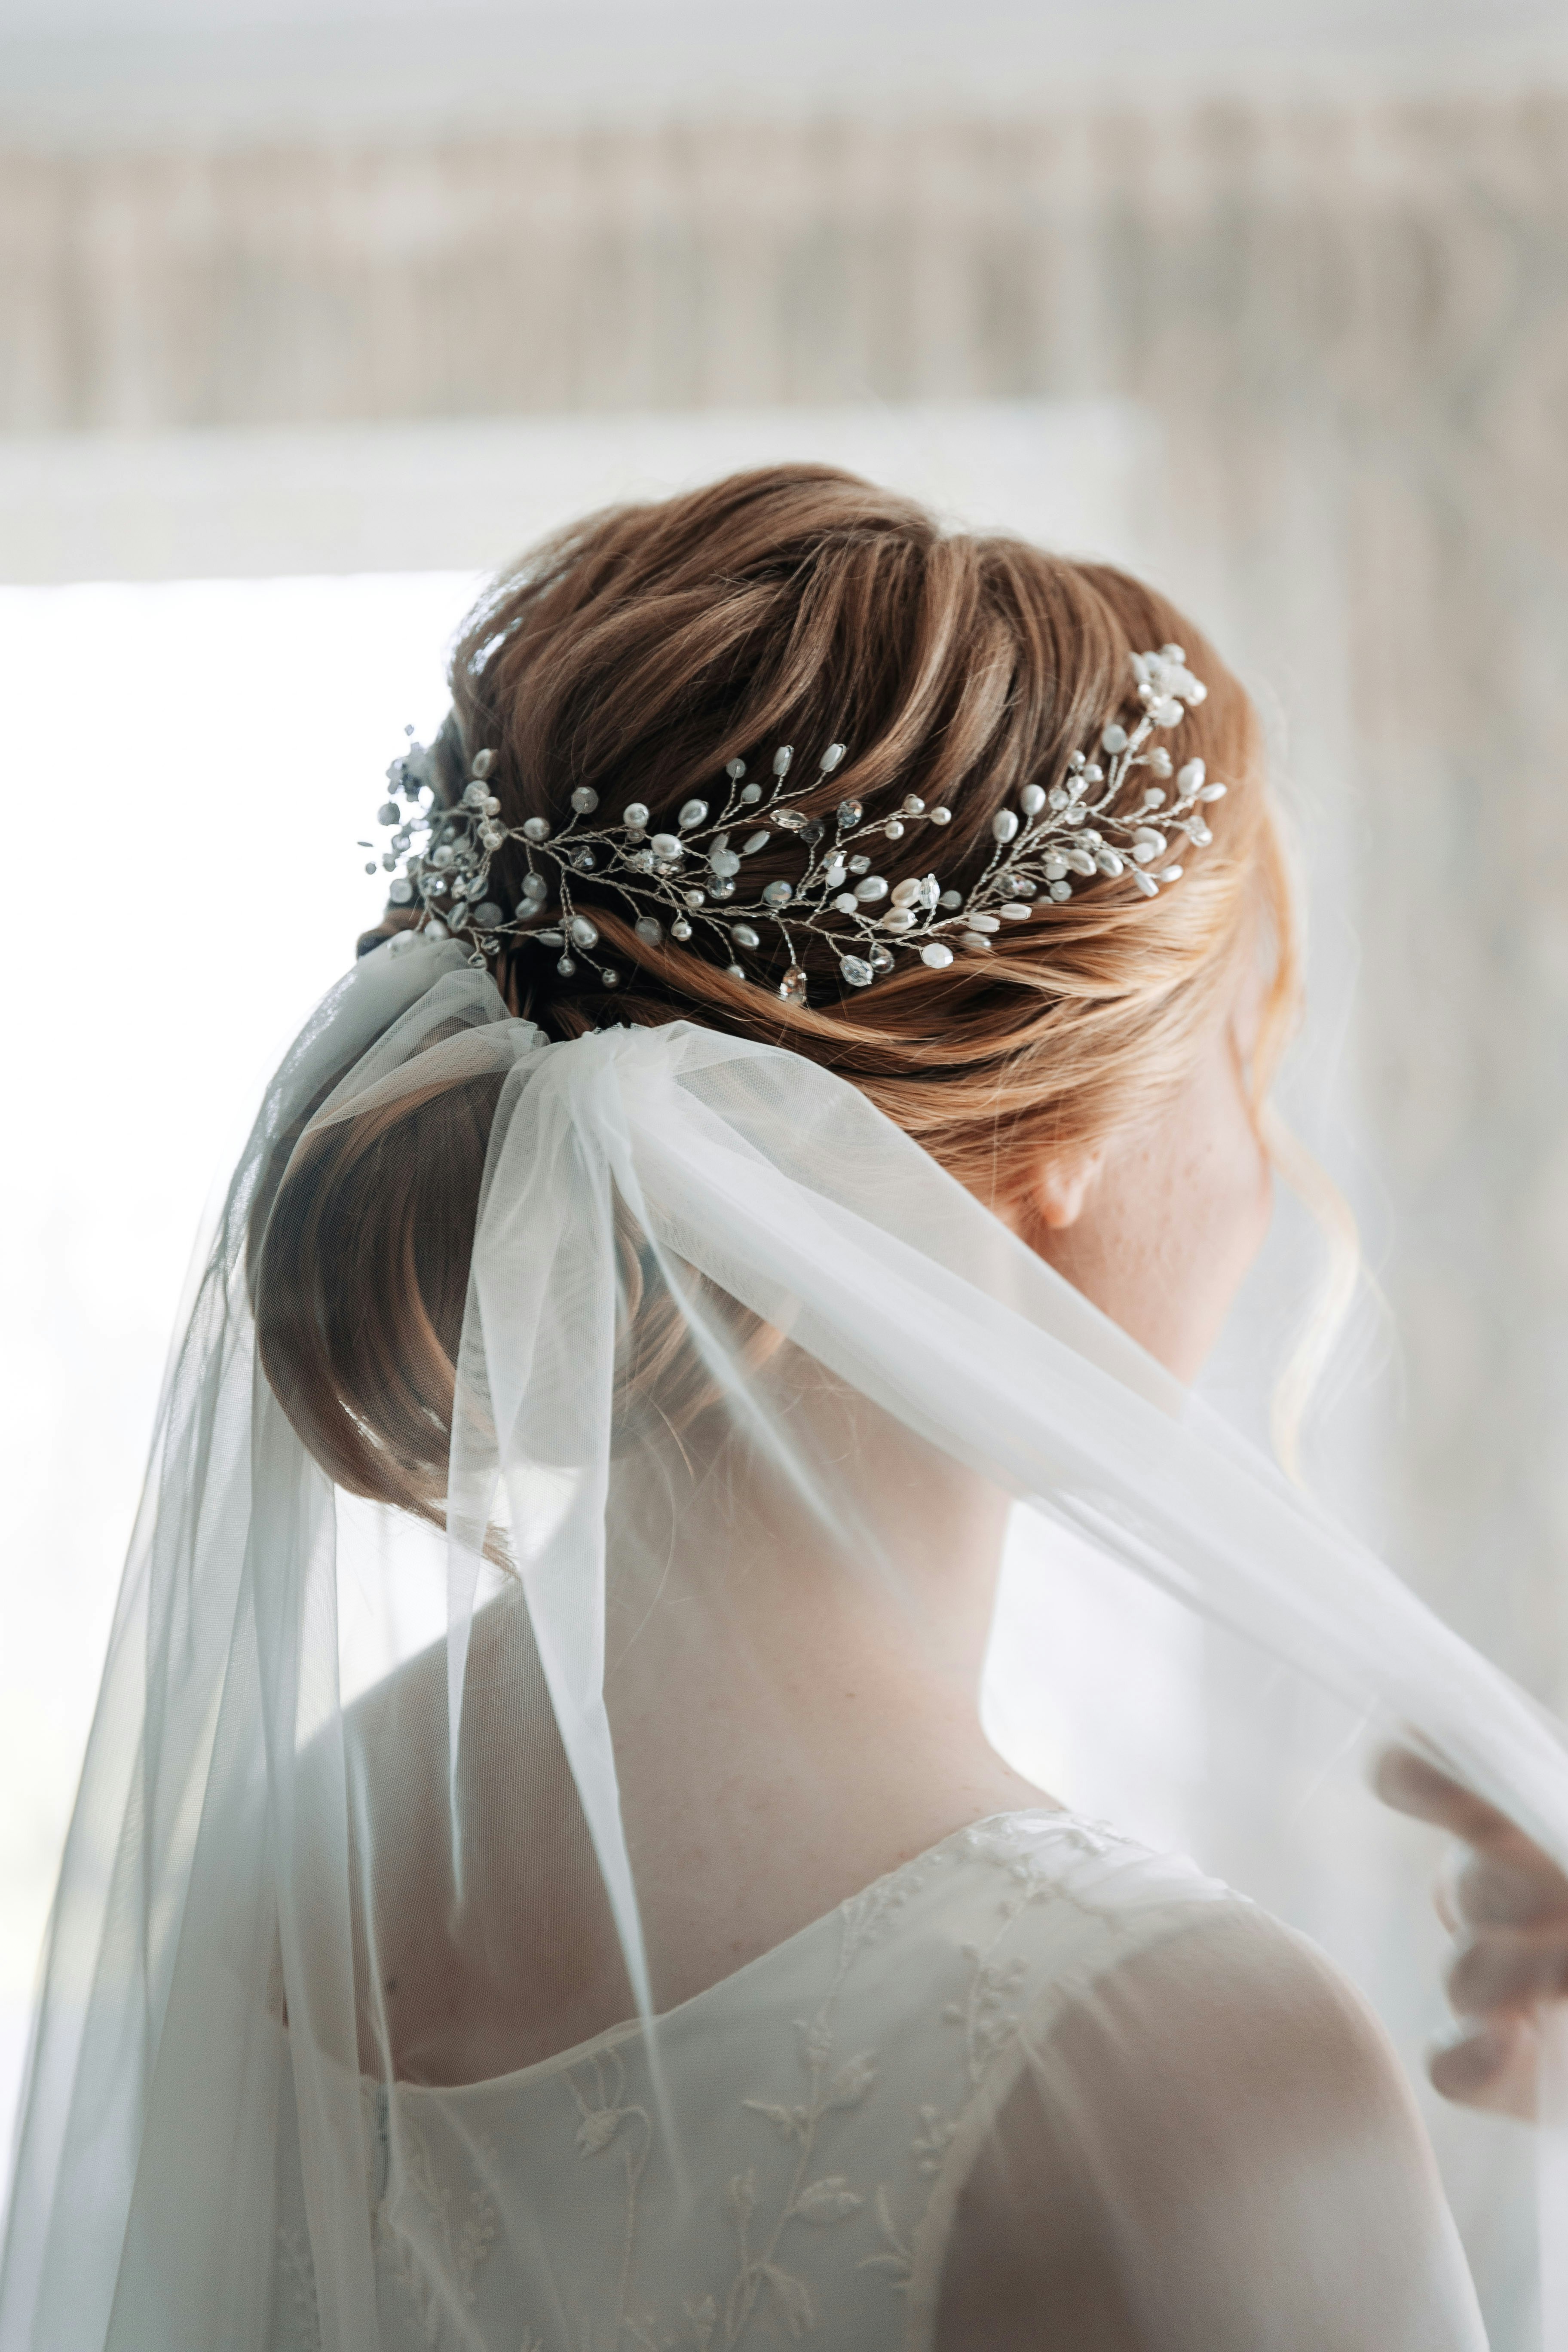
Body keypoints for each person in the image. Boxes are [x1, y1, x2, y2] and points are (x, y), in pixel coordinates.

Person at [5, 463, 1568, 2351]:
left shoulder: (292, 1857)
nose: (1274, 1169)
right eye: (1249, 1050)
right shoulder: (1190, 2077)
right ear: (1064, 1133)